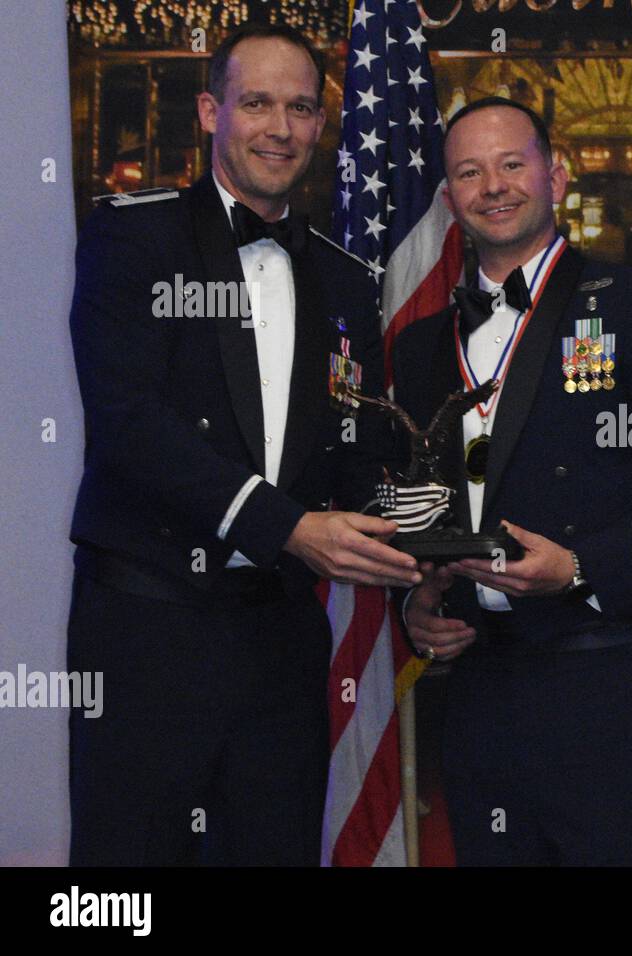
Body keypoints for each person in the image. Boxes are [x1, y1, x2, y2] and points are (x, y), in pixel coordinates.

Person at [66, 23, 421, 866]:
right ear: (209, 111)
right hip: (146, 628)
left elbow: (354, 445)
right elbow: (127, 424)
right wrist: (287, 526)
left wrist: (430, 529)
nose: (281, 127)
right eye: (257, 102)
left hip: (279, 639)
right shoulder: (131, 238)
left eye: (301, 107)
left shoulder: (344, 279)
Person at [393, 97, 632, 866]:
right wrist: (416, 601)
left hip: (607, 682)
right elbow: (410, 505)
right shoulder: (419, 348)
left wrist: (582, 569)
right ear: (448, 198)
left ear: (555, 174)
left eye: (512, 164)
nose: (494, 186)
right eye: (470, 172)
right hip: (478, 688)